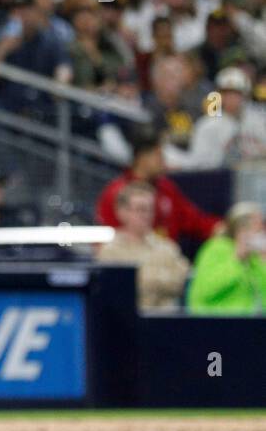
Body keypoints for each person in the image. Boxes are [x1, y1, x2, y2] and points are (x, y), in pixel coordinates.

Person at [96, 133, 220, 245]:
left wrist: (220, 227)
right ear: (142, 158)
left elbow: (193, 220)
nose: (164, 162)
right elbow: (107, 236)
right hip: (129, 259)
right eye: (159, 156)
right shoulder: (116, 193)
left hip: (166, 258)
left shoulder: (166, 187)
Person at [96, 181, 191, 312]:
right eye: (140, 209)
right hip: (127, 321)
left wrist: (141, 279)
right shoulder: (110, 250)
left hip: (165, 321)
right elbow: (115, 289)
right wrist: (161, 280)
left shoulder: (168, 247)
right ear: (122, 212)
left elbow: (181, 281)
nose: (146, 215)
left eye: (150, 209)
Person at [187, 202, 266, 316]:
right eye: (259, 229)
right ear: (241, 230)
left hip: (251, 326)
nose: (263, 233)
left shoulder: (255, 258)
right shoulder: (215, 248)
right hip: (216, 324)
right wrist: (237, 259)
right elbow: (205, 290)